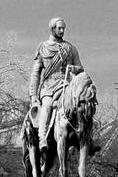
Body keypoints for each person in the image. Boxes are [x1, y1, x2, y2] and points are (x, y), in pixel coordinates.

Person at [29, 17, 84, 152]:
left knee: (79, 104)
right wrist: (33, 94)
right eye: (59, 28)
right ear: (52, 29)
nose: (62, 31)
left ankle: (83, 135)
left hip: (65, 84)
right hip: (48, 86)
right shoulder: (43, 48)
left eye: (63, 28)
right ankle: (42, 138)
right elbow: (36, 73)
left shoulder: (70, 48)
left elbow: (80, 69)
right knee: (47, 106)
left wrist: (73, 68)